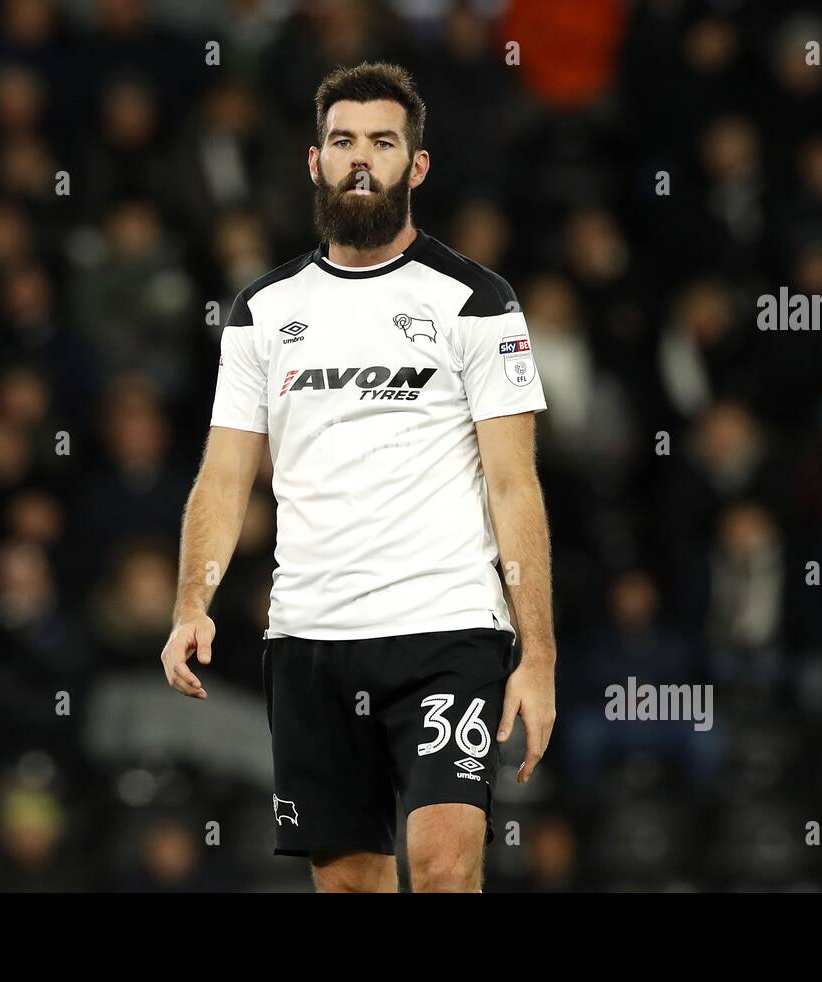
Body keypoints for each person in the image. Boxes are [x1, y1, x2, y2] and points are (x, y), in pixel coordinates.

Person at [161, 62, 556, 893]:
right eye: (344, 141)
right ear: (315, 162)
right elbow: (226, 475)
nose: (361, 159)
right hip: (310, 637)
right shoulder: (262, 312)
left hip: (446, 628)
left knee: (447, 866)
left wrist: (539, 654)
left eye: (383, 141)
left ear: (416, 166)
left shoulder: (477, 303)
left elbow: (515, 486)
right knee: (348, 885)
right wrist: (192, 601)